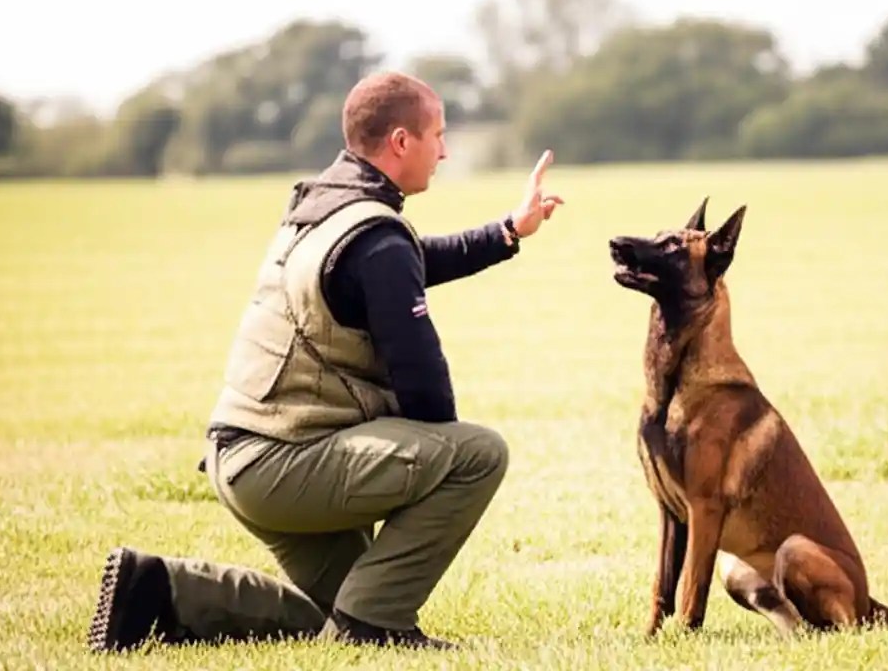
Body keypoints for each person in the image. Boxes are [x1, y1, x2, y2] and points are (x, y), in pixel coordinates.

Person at [86, 71, 563, 652]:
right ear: (401, 142)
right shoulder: (376, 239)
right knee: (478, 454)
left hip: (244, 458)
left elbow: (408, 260)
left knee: (334, 614)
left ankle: (160, 590)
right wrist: (430, 476)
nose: (445, 150)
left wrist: (509, 230)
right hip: (286, 466)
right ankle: (378, 624)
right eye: (437, 135)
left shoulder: (327, 209)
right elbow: (425, 389)